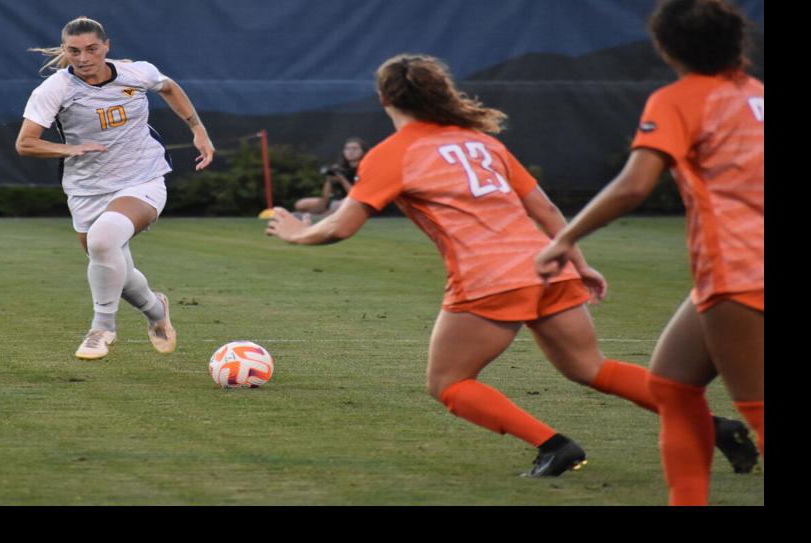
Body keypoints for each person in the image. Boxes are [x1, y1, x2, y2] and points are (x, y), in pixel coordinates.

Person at [267, 54, 751, 478]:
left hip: (490, 278)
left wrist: (294, 233)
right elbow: (545, 209)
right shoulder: (482, 143)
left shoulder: (393, 153)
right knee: (590, 367)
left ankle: (555, 447)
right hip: (547, 266)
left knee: (449, 383)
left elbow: (341, 226)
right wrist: (577, 261)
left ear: (383, 99)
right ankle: (715, 427)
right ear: (440, 93)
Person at [536, 0, 764, 505]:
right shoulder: (756, 96)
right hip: (739, 270)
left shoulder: (679, 98)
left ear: (666, 46)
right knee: (672, 385)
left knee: (758, 409)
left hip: (740, 268)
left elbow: (634, 184)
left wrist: (564, 239)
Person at [16, 17, 214, 360]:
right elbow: (25, 143)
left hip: (142, 178)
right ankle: (156, 311)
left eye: (92, 49)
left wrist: (198, 129)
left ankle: (102, 328)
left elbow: (169, 87)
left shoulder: (136, 73)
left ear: (106, 46)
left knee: (103, 240)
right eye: (74, 51)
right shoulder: (55, 89)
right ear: (65, 51)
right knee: (112, 266)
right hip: (86, 190)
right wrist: (70, 149)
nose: (83, 58)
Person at [293, 138, 365, 220]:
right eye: (347, 149)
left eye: (354, 149)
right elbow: (325, 198)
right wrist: (329, 180)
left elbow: (355, 195)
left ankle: (316, 217)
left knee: (338, 205)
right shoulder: (341, 169)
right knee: (300, 204)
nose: (350, 151)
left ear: (363, 152)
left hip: (355, 202)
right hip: (337, 201)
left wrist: (342, 180)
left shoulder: (364, 169)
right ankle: (314, 215)